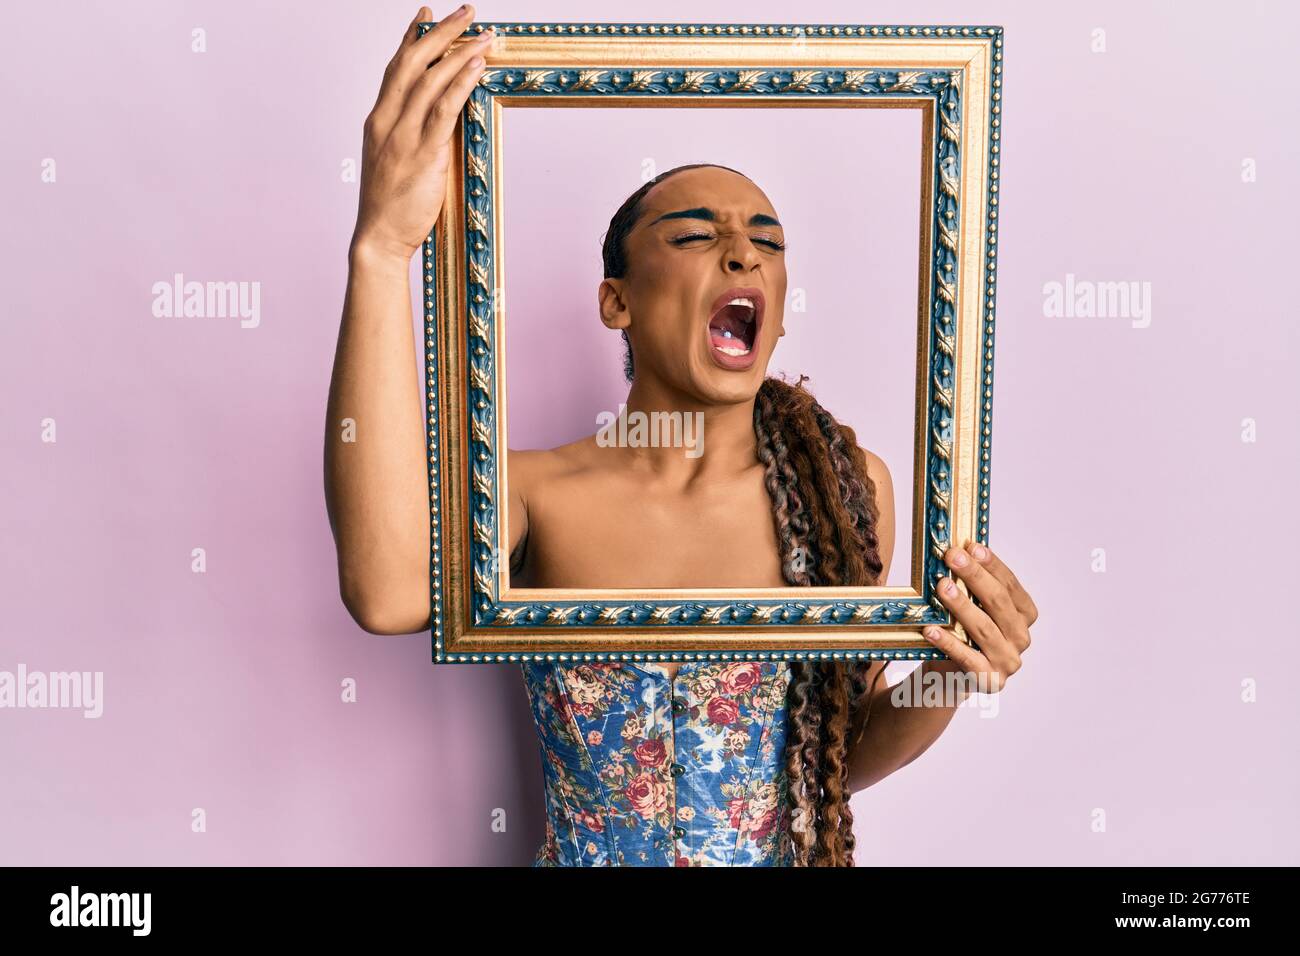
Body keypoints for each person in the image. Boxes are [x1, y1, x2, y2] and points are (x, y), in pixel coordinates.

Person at [324, 5, 1040, 867]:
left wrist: (953, 674)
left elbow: (836, 760)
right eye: (697, 235)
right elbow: (385, 588)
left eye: (766, 243)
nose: (742, 254)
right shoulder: (529, 492)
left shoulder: (849, 491)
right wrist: (383, 247)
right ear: (616, 301)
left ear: (776, 316)